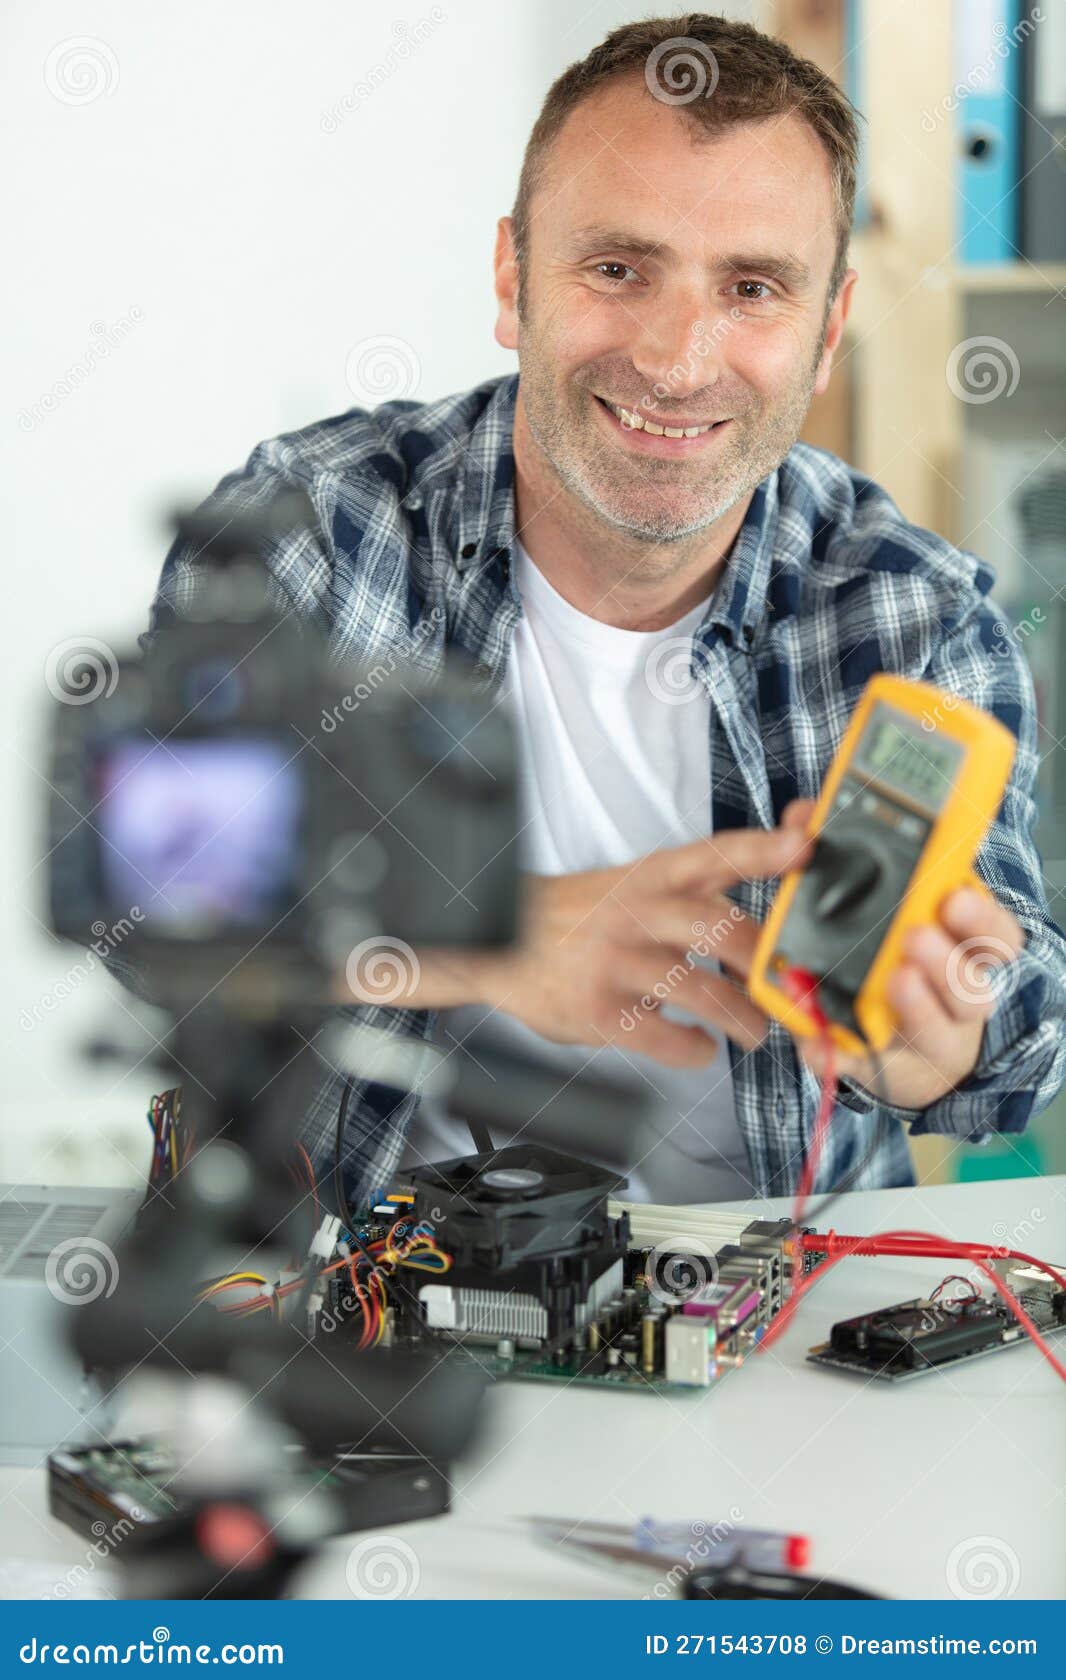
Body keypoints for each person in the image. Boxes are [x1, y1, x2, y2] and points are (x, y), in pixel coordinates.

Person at [137, 13, 1063, 1205]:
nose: (677, 361)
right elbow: (153, 908)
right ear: (513, 278)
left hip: (761, 1291)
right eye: (618, 269)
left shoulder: (912, 616)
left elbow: (1023, 1038)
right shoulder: (309, 530)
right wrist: (482, 937)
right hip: (355, 1275)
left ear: (826, 331)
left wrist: (949, 1039)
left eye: (752, 289)